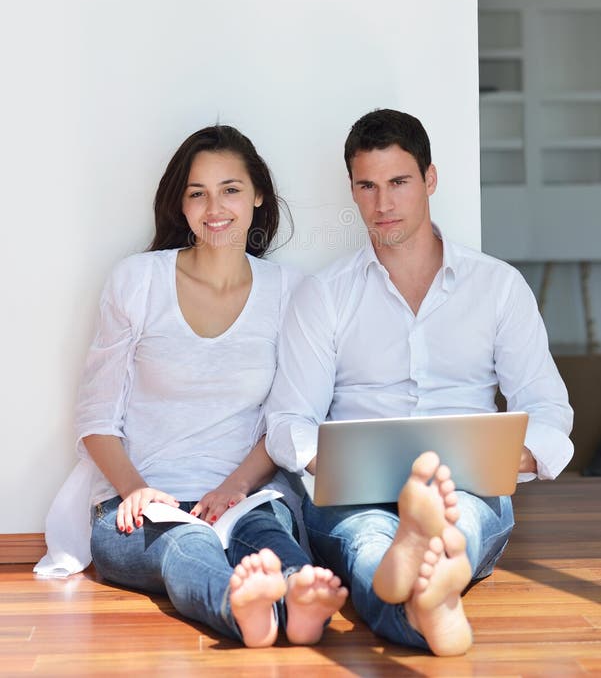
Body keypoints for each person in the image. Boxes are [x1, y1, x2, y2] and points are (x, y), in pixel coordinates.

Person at [264, 108, 573, 656]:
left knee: (457, 523)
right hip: (354, 495)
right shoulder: (325, 295)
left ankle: (419, 579)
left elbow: (548, 408)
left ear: (430, 179)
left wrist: (508, 458)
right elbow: (289, 419)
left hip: (466, 489)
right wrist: (327, 461)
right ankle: (432, 598)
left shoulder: (498, 287)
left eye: (399, 182)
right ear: (353, 190)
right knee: (367, 540)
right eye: (368, 186)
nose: (383, 204)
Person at [39, 125, 347, 648]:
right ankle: (241, 610)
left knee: (268, 537)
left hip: (245, 495)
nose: (214, 208)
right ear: (180, 205)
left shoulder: (290, 292)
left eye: (230, 189)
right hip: (137, 504)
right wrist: (135, 489)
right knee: (187, 546)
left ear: (258, 195)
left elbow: (287, 417)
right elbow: (95, 418)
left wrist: (236, 487)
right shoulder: (137, 280)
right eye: (197, 193)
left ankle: (300, 601)